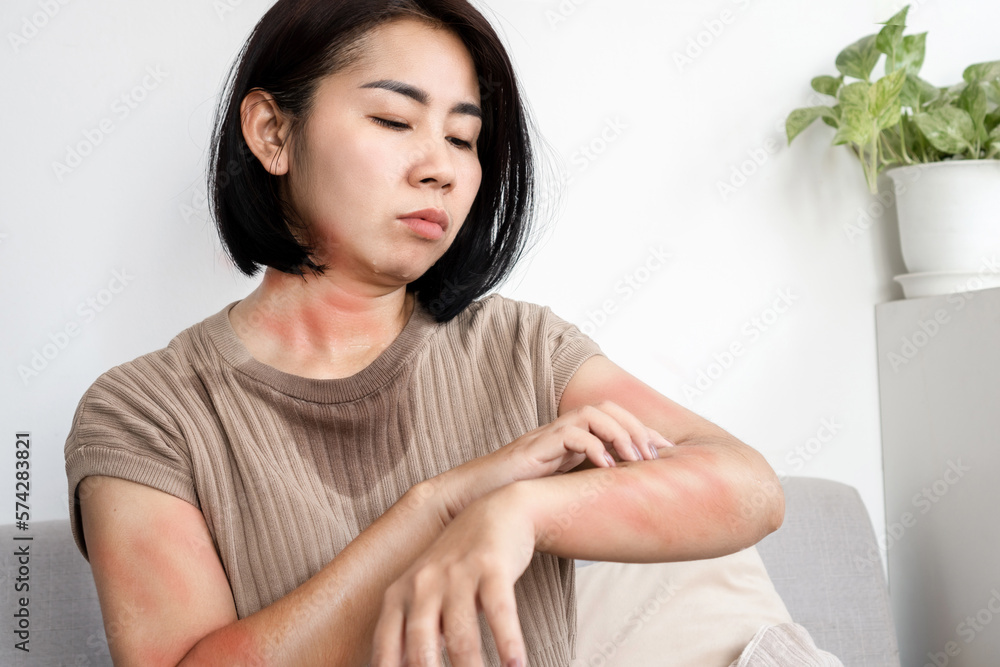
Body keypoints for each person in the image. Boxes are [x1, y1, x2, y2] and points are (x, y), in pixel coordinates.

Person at [63, 1, 784, 666]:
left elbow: (748, 487)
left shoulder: (521, 348)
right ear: (273, 132)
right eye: (394, 121)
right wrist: (441, 507)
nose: (441, 168)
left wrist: (524, 510)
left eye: (463, 137)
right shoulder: (146, 412)